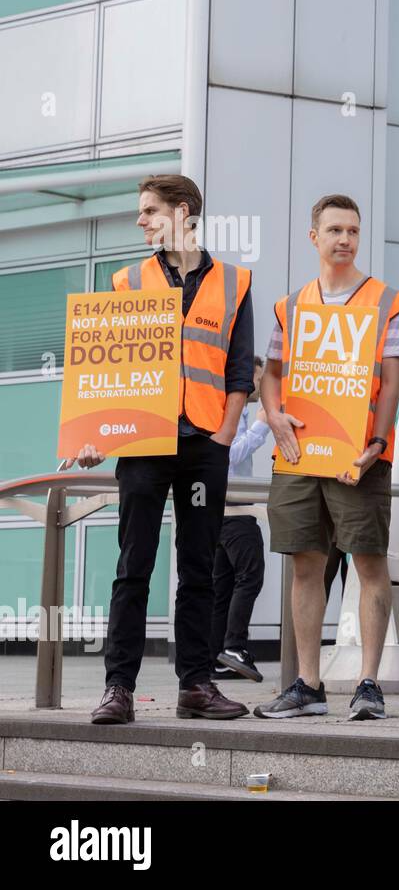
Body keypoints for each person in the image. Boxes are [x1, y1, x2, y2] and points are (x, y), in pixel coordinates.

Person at [80, 174, 254, 724]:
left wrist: (223, 439)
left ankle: (196, 686)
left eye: (150, 211)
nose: (141, 220)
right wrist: (96, 434)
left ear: (183, 212)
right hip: (143, 446)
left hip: (204, 445)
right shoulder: (127, 282)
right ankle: (118, 689)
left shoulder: (233, 282)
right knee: (134, 566)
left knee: (198, 569)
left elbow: (239, 371)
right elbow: (108, 367)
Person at [254, 194, 399, 721]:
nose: (345, 239)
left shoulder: (386, 302)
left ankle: (368, 684)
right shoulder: (291, 307)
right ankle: (307, 684)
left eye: (352, 230)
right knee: (306, 567)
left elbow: (392, 383)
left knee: (369, 565)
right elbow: (272, 374)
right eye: (334, 230)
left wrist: (378, 441)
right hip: (300, 455)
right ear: (314, 237)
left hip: (360, 457)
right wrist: (274, 415)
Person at [211, 355, 271, 682]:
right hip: (234, 507)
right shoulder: (232, 410)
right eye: (257, 379)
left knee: (223, 584)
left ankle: (216, 657)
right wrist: (262, 424)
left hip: (223, 508)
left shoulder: (238, 410)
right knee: (250, 575)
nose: (261, 385)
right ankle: (234, 646)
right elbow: (229, 455)